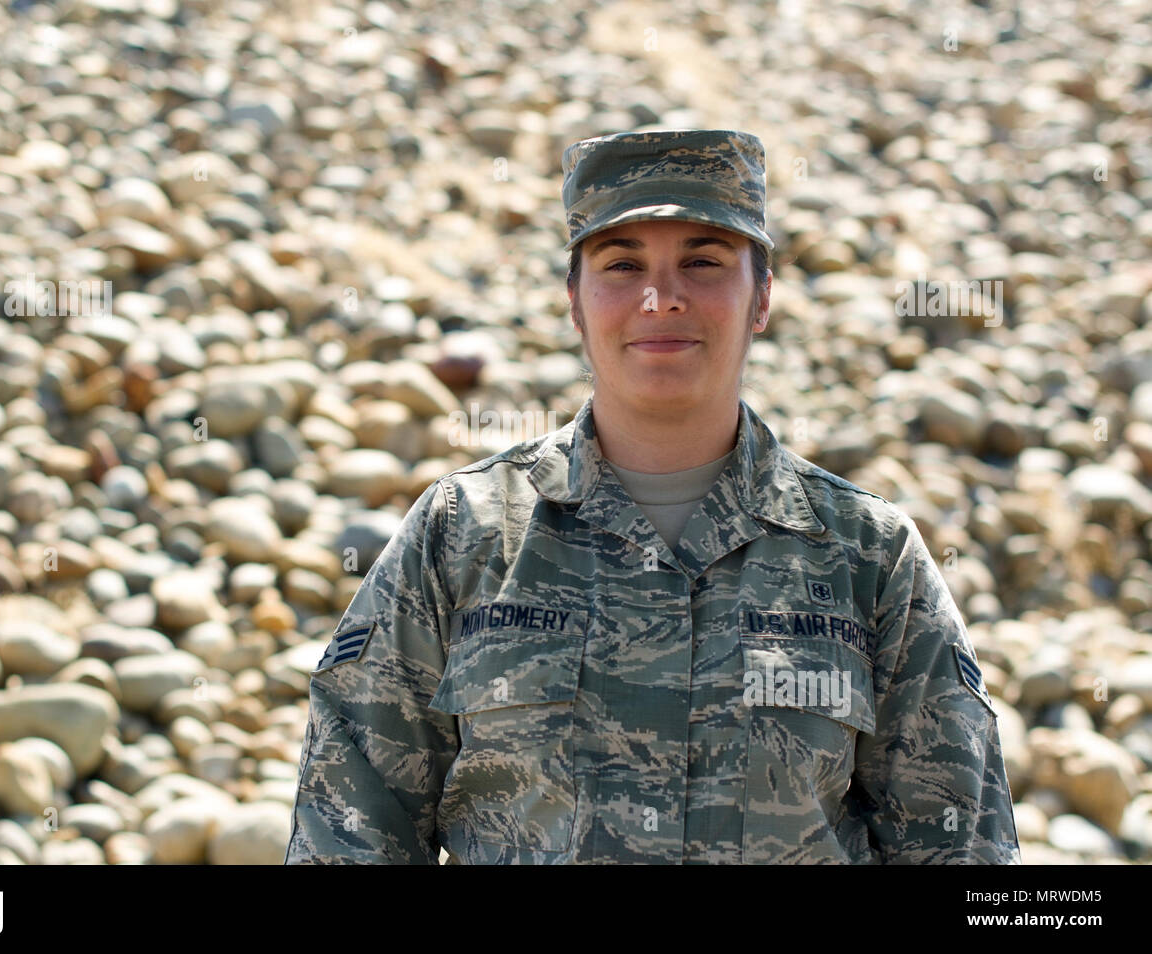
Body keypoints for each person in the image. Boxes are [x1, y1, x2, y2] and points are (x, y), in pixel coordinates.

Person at [283, 129, 1021, 864]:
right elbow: (348, 829)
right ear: (575, 302)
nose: (661, 298)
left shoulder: (867, 555)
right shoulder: (465, 535)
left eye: (702, 262)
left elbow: (959, 846)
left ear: (761, 298)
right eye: (621, 264)